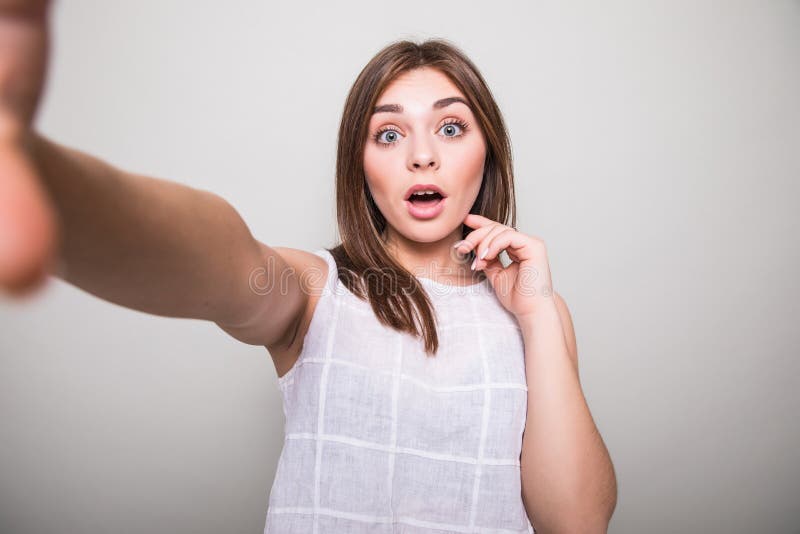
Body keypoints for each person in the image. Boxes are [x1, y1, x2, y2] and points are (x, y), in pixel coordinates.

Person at [0, 2, 617, 532]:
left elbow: (577, 523)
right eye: (389, 135)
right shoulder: (320, 291)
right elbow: (220, 261)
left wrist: (536, 314)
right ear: (361, 165)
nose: (423, 156)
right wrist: (43, 178)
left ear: (489, 155)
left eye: (451, 128)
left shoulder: (537, 312)